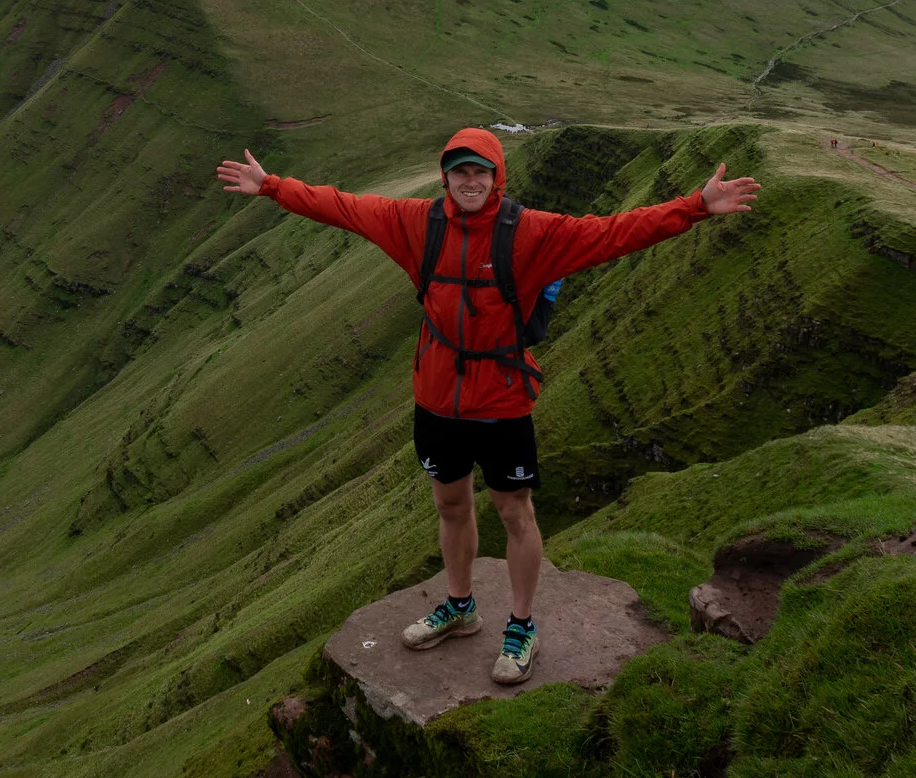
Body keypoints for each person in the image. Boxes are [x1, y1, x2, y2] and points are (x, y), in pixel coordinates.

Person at [215, 129, 760, 684]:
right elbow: (345, 207)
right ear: (445, 177)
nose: (470, 181)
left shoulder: (532, 233)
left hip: (501, 402)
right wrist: (272, 187)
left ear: (497, 177)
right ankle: (460, 606)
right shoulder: (416, 224)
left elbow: (614, 233)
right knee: (450, 505)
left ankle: (522, 625)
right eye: (460, 171)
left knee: (515, 512)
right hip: (436, 401)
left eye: (480, 171)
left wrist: (694, 207)